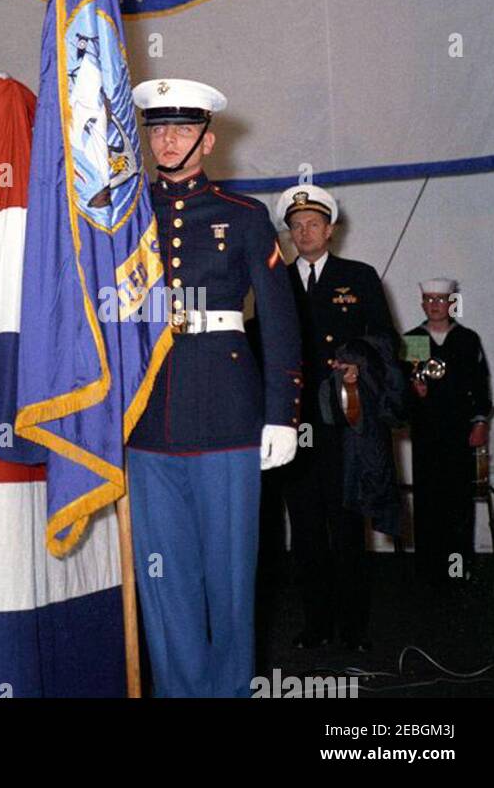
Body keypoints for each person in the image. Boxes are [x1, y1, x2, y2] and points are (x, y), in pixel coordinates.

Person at [125, 79, 301, 698]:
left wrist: (282, 413)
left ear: (208, 139)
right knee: (163, 577)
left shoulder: (245, 216)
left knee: (230, 577)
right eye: (157, 128)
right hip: (146, 420)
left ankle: (227, 691)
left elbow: (279, 320)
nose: (167, 139)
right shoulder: (123, 215)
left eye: (181, 129)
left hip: (229, 414)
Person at [274, 186, 404, 651]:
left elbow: (387, 341)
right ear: (288, 234)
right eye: (296, 225)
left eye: (313, 223)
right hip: (294, 426)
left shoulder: (361, 277)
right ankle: (316, 625)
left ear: (330, 230)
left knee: (348, 525)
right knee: (306, 526)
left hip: (346, 423)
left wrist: (359, 365)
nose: (304, 231)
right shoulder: (276, 282)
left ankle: (353, 629)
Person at [404, 279, 492, 586]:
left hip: (459, 435)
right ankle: (429, 572)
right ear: (422, 303)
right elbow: (403, 387)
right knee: (428, 502)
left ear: (451, 303)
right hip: (426, 435)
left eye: (441, 300)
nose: (435, 305)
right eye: (429, 299)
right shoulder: (413, 339)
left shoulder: (467, 339)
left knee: (458, 503)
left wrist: (480, 423)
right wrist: (413, 390)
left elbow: (481, 386)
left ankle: (456, 570)